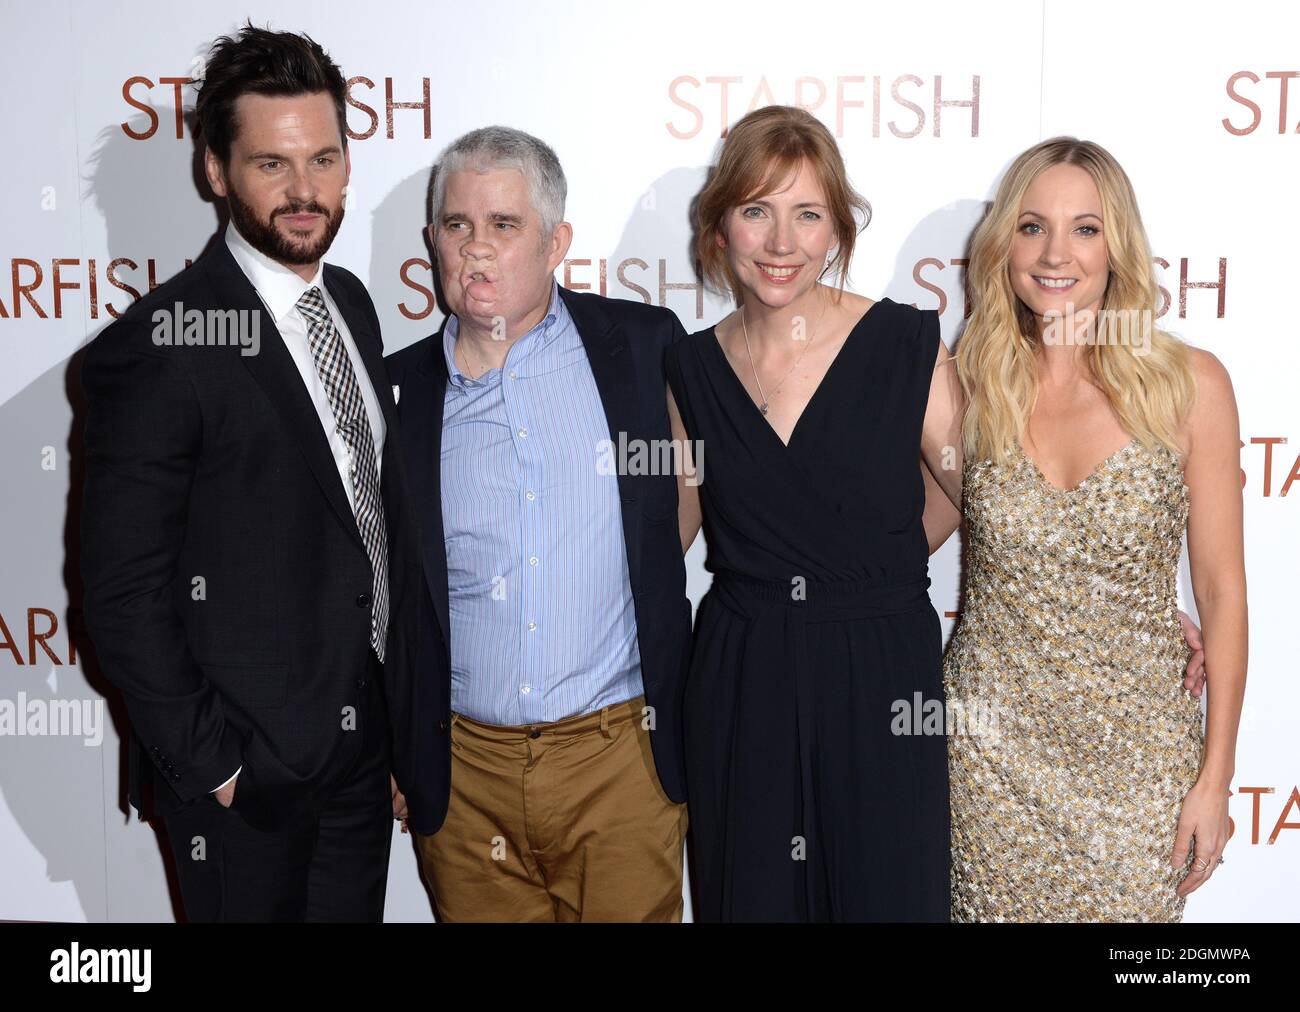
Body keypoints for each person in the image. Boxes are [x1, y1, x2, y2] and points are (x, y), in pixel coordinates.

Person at [79, 25, 419, 921]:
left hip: (359, 758)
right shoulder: (160, 347)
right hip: (246, 786)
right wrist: (221, 768)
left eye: (324, 159)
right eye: (272, 165)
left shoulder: (348, 300)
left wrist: (387, 727)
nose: (305, 192)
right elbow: (121, 593)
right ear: (215, 172)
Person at [384, 127, 693, 922]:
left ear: (556, 242)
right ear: (431, 242)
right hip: (464, 775)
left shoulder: (644, 349)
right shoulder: (397, 393)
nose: (476, 249)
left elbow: (683, 507)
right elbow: (382, 591)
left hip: (619, 762)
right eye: (457, 226)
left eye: (503, 225)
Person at [665, 105, 965, 921]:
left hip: (882, 674)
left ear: (837, 228)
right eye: (755, 210)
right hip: (741, 678)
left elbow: (971, 497)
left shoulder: (905, 345)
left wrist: (874, 568)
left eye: (807, 214)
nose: (780, 241)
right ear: (720, 224)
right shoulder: (690, 367)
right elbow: (671, 539)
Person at [936, 137, 1247, 921]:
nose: (1055, 253)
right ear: (1004, 243)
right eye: (1033, 226)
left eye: (1085, 228)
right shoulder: (966, 386)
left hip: (1142, 760)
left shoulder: (1190, 384)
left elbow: (1221, 588)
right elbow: (900, 540)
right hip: (990, 760)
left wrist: (1215, 779)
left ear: (1119, 249)